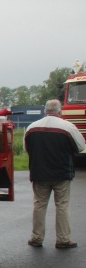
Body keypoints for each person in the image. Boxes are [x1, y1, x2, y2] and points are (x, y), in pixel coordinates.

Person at [24, 99, 85, 248]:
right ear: (60, 111)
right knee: (62, 206)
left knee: (39, 205)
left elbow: (26, 149)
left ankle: (36, 237)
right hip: (62, 173)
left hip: (39, 173)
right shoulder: (68, 127)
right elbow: (80, 146)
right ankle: (63, 239)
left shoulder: (31, 128)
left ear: (46, 111)